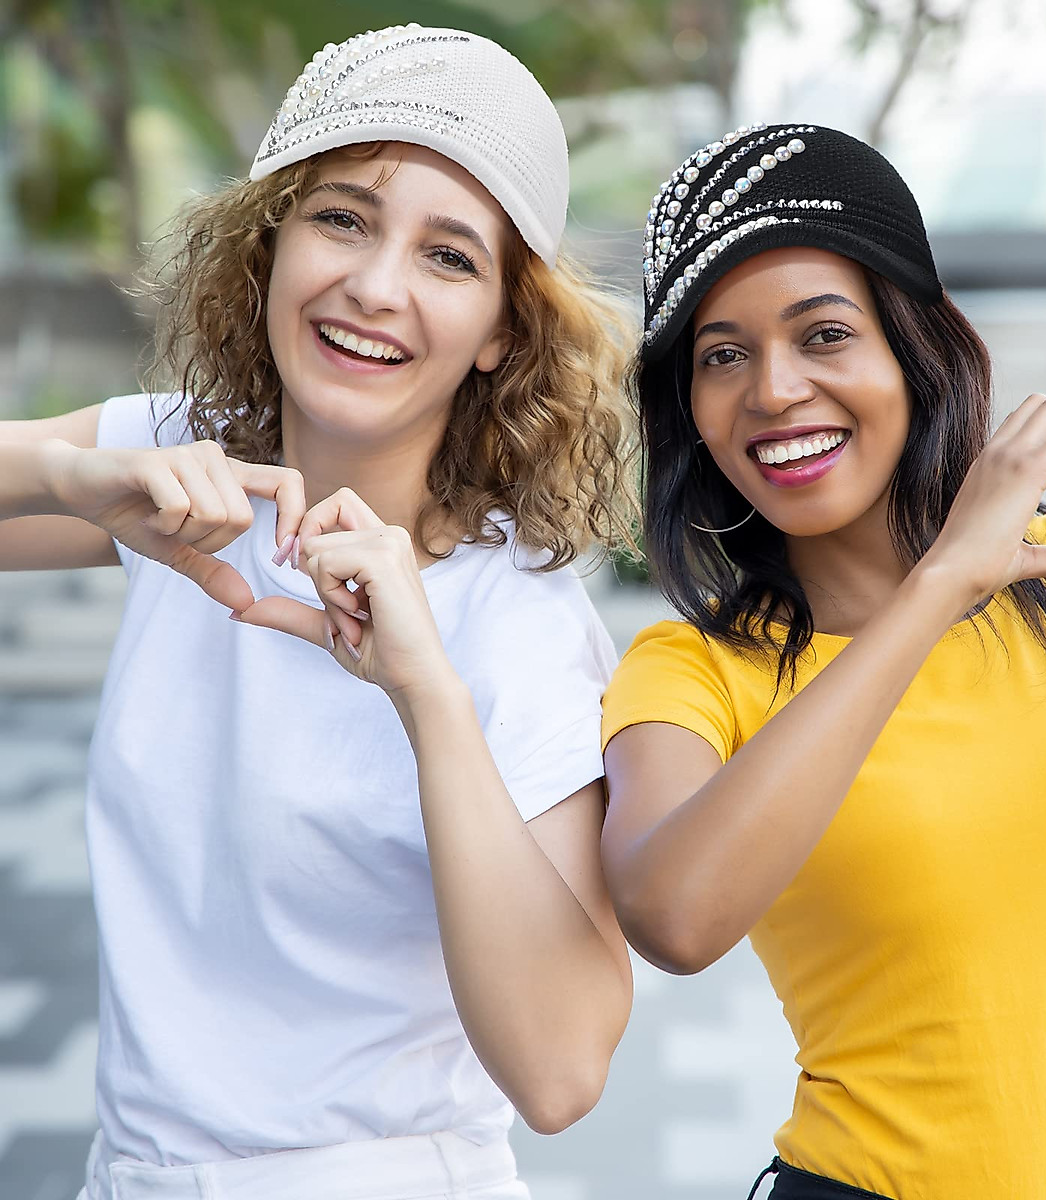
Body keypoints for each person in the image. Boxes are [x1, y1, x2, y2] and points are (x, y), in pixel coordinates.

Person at [0, 24, 635, 1200]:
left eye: (450, 257)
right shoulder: (172, 468)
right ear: (270, 244)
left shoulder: (517, 618)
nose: (375, 286)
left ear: (504, 327)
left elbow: (561, 1073)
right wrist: (62, 476)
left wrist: (423, 692)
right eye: (342, 217)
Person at [600, 121, 1046, 1200]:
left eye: (823, 335)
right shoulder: (690, 667)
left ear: (911, 351)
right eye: (721, 354)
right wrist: (937, 592)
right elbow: (673, 919)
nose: (774, 390)